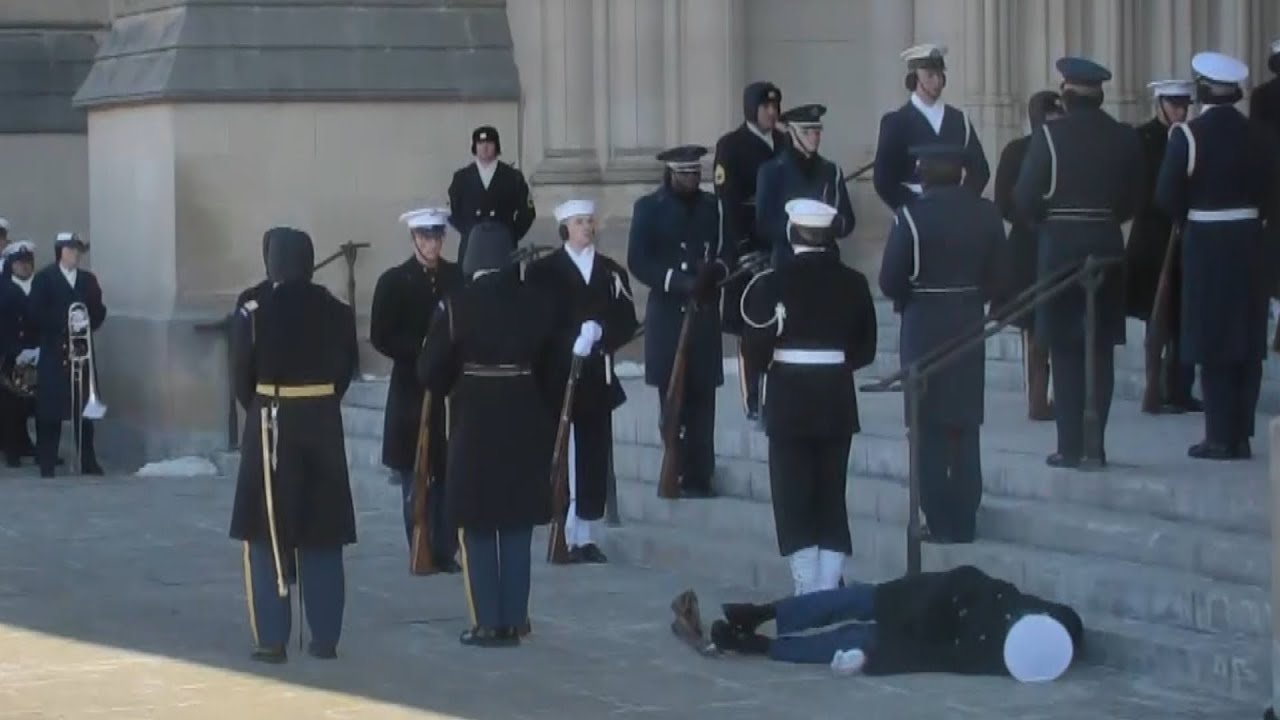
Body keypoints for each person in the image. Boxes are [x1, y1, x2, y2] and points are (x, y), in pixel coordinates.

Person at [418, 221, 558, 647]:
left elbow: (431, 370)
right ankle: (515, 618)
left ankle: (487, 622)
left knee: (477, 523)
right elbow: (553, 367)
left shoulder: (456, 304)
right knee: (516, 522)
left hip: (474, 420)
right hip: (524, 416)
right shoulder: (535, 302)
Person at [229, 227, 359, 663]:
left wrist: (264, 404)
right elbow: (345, 370)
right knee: (323, 532)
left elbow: (241, 375)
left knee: (264, 532)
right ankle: (325, 637)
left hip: (271, 420)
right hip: (321, 422)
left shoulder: (254, 309)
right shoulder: (337, 310)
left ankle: (272, 638)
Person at [740, 198, 876, 594]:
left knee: (793, 494)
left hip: (790, 397)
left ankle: (807, 586)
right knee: (831, 494)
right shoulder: (854, 283)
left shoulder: (772, 283)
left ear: (791, 233)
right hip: (836, 395)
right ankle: (829, 584)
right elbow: (865, 349)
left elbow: (755, 347)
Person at [1013, 57, 1143, 469]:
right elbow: (1134, 198)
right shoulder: (1123, 137)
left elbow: (1025, 198)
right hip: (1106, 243)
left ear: (1065, 93)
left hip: (1061, 247)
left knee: (1067, 350)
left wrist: (1047, 222)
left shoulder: (1049, 137)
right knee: (1100, 349)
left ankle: (1070, 445)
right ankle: (1095, 444)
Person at [880, 144, 1007, 543]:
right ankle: (964, 517)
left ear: (925, 172)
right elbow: (1000, 277)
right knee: (965, 424)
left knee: (926, 426)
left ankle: (937, 518)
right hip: (968, 320)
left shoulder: (911, 217)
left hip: (924, 325)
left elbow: (890, 280)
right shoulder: (986, 213)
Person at [1155, 53, 1278, 461]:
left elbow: (1167, 195)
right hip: (1250, 240)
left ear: (1201, 90)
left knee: (1213, 339)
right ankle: (1241, 434)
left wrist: (1190, 218)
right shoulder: (1260, 135)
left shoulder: (1187, 136)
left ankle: (1220, 435)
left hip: (1207, 242)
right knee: (1247, 339)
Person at [707, 564, 1084, 683]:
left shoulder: (997, 658)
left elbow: (941, 659)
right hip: (930, 597)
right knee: (850, 600)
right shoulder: (1032, 610)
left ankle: (761, 645)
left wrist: (875, 662)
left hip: (925, 636)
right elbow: (975, 581)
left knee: (853, 638)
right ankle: (765, 613)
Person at [526, 199, 638, 564]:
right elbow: (537, 322)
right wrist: (568, 342)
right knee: (562, 452)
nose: (587, 228)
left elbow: (626, 319)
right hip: (557, 376)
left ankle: (585, 533)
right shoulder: (543, 272)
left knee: (591, 453)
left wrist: (602, 333)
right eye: (579, 222)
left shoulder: (610, 271)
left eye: (589, 221)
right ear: (565, 229)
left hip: (595, 376)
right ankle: (561, 524)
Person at [627, 145, 728, 499]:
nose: (693, 179)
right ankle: (677, 465)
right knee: (673, 398)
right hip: (669, 313)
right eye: (685, 174)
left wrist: (714, 273)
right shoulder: (649, 208)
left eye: (696, 173)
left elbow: (724, 249)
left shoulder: (710, 206)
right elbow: (639, 260)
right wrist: (677, 281)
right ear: (671, 173)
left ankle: (701, 472)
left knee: (703, 397)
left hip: (703, 311)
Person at [370, 207, 463, 569]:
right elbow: (381, 335)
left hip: (448, 388)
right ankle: (420, 542)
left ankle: (445, 548)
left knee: (447, 471)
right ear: (414, 239)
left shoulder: (455, 277)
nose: (432, 244)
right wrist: (420, 349)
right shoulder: (395, 281)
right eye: (425, 237)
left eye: (437, 237)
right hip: (412, 387)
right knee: (416, 471)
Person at [714, 81, 789, 420]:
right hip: (748, 248)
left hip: (778, 244)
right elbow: (728, 200)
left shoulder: (785, 143)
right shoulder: (731, 146)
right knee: (751, 325)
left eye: (775, 107)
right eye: (765, 107)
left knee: (781, 320)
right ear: (751, 109)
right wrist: (743, 246)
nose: (772, 113)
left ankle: (778, 391)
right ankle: (753, 396)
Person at [1124, 80, 1201, 415]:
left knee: (1185, 317)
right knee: (1156, 318)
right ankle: (1155, 385)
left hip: (1184, 236)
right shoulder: (1142, 139)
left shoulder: (1191, 136)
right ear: (1160, 104)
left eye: (1184, 105)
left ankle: (1180, 389)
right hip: (1152, 238)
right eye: (1174, 105)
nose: (1180, 111)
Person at [994, 91, 1063, 422]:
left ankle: (1054, 393)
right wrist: (1032, 219)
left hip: (1058, 242)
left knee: (1055, 322)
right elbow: (1003, 203)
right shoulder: (1016, 151)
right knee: (1032, 325)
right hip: (1027, 245)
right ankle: (1037, 395)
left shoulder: (1066, 148)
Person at [873, 44, 990, 212]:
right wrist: (913, 207)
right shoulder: (896, 123)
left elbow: (980, 171)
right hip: (915, 213)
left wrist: (963, 201)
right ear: (913, 79)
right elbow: (883, 181)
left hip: (955, 211)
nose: (937, 81)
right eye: (930, 75)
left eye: (940, 74)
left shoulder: (959, 121)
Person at [29, 232, 106, 477]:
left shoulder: (88, 280)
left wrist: (88, 318)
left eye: (78, 250)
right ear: (60, 252)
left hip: (81, 352)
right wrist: (66, 322)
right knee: (50, 410)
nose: (76, 255)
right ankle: (47, 462)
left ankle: (87, 460)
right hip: (54, 351)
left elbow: (98, 312)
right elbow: (34, 313)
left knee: (85, 408)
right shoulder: (44, 278)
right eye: (71, 250)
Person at [755, 104, 855, 268]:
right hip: (788, 262)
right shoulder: (771, 171)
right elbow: (764, 224)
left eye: (817, 132)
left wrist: (831, 226)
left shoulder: (831, 170)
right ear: (791, 132)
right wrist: (798, 232)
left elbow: (847, 221)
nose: (814, 137)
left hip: (827, 261)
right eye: (806, 132)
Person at [447, 125, 536, 262]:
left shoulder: (513, 177)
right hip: (471, 249)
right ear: (474, 146)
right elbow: (452, 211)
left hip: (503, 247)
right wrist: (468, 232)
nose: (484, 147)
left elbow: (528, 212)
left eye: (489, 143)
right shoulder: (461, 177)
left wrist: (511, 234)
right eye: (480, 143)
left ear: (496, 145)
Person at [0, 241, 38, 465]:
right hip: (9, 354)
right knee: (10, 405)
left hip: (36, 352)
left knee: (34, 404)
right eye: (19, 262)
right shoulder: (4, 288)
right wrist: (13, 351)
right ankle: (11, 449)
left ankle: (28, 444)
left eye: (28, 262)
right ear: (11, 265)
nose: (24, 266)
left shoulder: (40, 285)